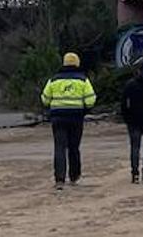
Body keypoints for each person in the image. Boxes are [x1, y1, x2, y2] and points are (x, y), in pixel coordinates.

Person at [40, 52, 97, 191]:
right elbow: (90, 100)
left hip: (58, 118)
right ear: (77, 63)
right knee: (74, 147)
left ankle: (59, 179)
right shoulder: (83, 80)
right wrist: (84, 108)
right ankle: (74, 176)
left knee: (59, 147)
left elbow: (45, 99)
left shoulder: (54, 80)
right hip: (76, 117)